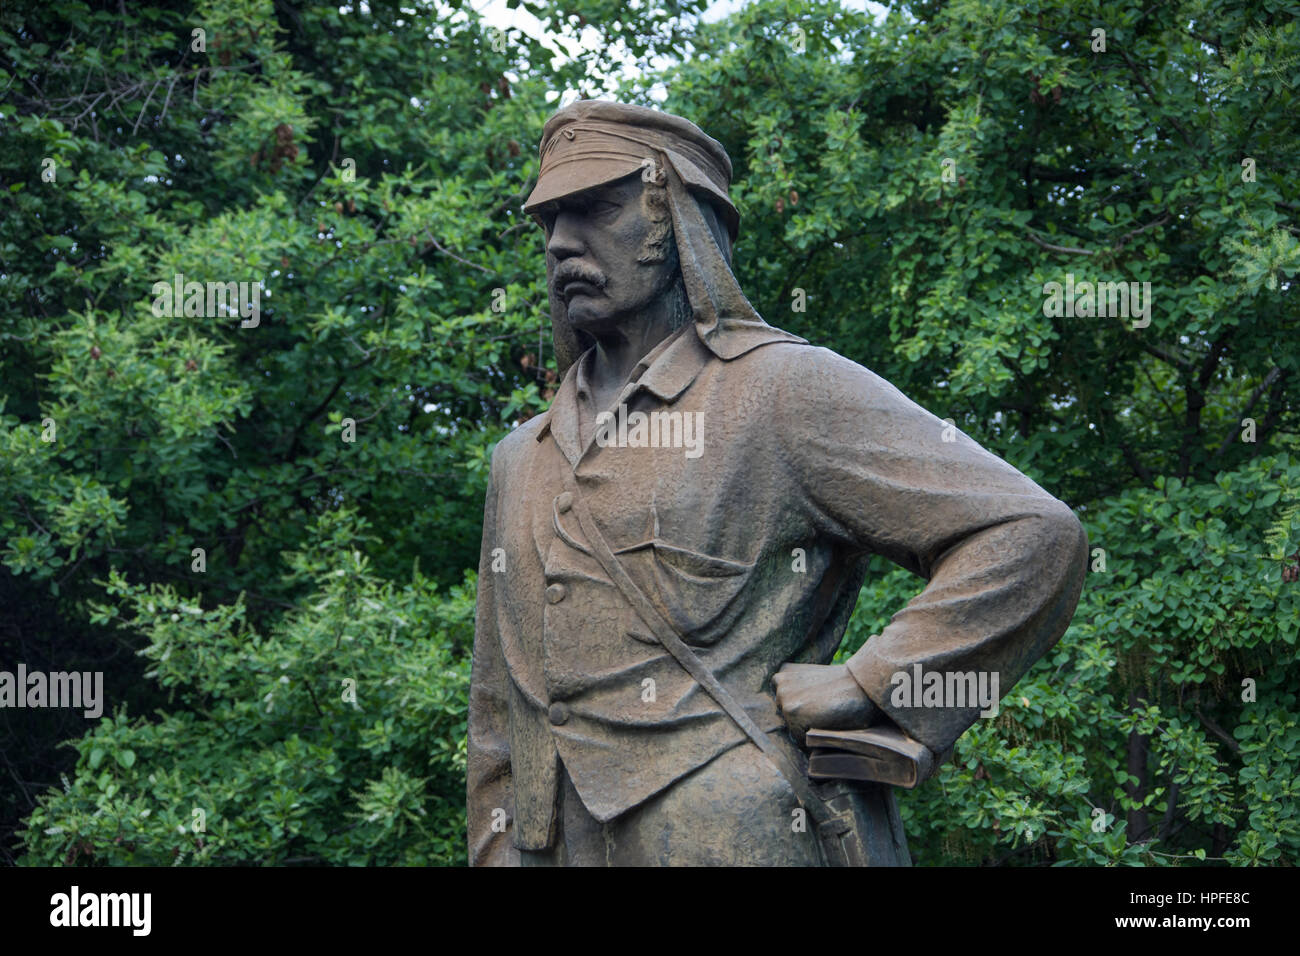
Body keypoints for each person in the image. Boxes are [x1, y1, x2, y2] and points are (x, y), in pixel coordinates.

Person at [467, 100, 1088, 866]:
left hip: (738, 840)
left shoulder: (785, 393)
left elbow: (1033, 535)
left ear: (676, 219)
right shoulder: (519, 458)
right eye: (550, 221)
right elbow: (498, 716)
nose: (562, 241)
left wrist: (875, 678)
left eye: (594, 208)